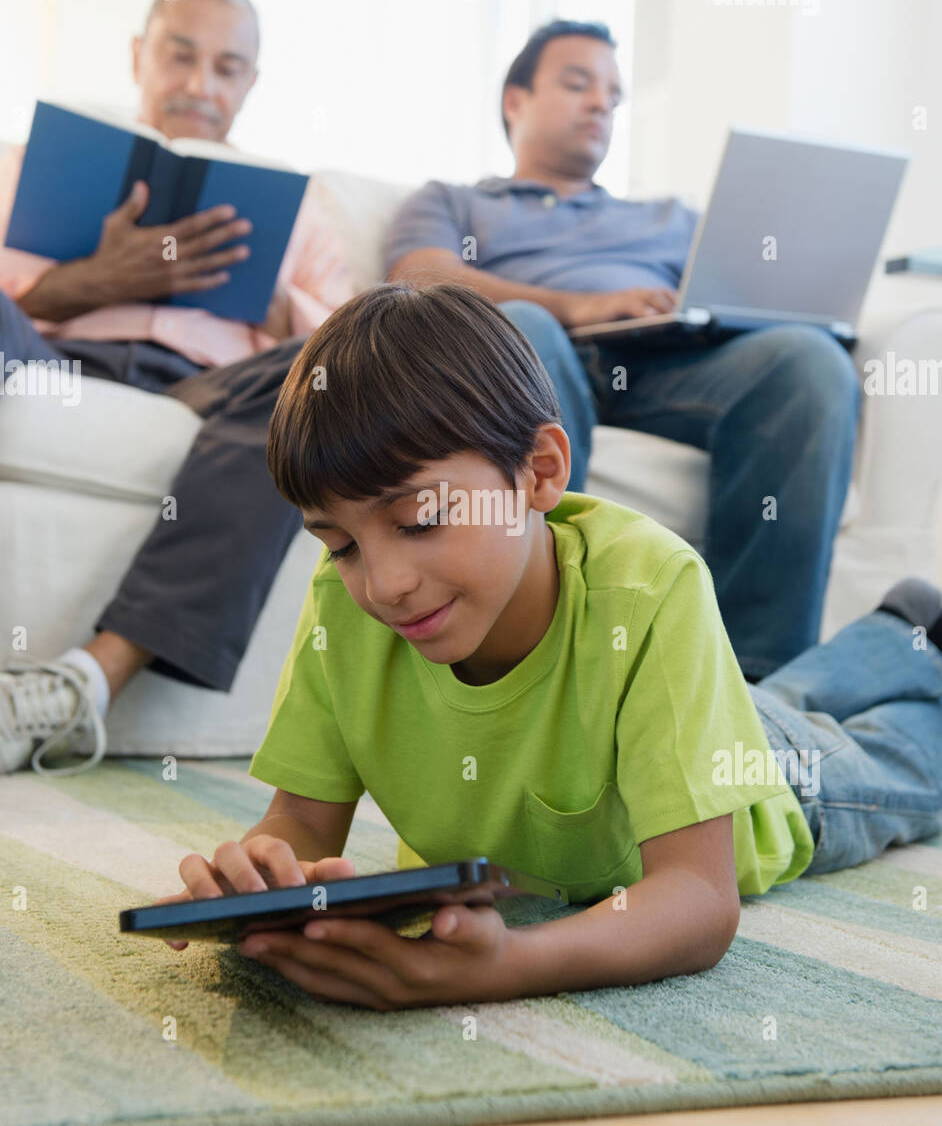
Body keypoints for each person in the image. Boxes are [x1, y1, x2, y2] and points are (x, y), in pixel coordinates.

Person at [156, 283, 942, 1011]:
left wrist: (511, 965)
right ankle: (897, 630)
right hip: (694, 721)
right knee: (770, 697)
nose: (383, 584)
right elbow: (300, 820)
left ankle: (907, 650)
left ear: (539, 471)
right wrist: (262, 878)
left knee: (879, 753)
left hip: (775, 783)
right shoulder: (344, 607)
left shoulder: (654, 587)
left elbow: (700, 900)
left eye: (419, 519)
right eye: (341, 545)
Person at [383, 19, 861, 682]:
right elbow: (418, 280)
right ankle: (548, 645)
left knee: (810, 365)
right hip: (541, 356)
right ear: (514, 100)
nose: (600, 103)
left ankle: (757, 682)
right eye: (578, 83)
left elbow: (740, 291)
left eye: (613, 94)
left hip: (670, 364)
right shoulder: (456, 202)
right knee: (524, 326)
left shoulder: (668, 216)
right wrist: (577, 307)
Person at [0, 0, 353, 777]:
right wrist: (95, 278)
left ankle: (86, 682)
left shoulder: (298, 212)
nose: (201, 85)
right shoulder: (26, 164)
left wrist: (273, 305)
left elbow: (360, 346)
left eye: (227, 67)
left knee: (319, 374)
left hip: (209, 390)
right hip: (53, 359)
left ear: (251, 82)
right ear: (139, 55)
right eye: (180, 55)